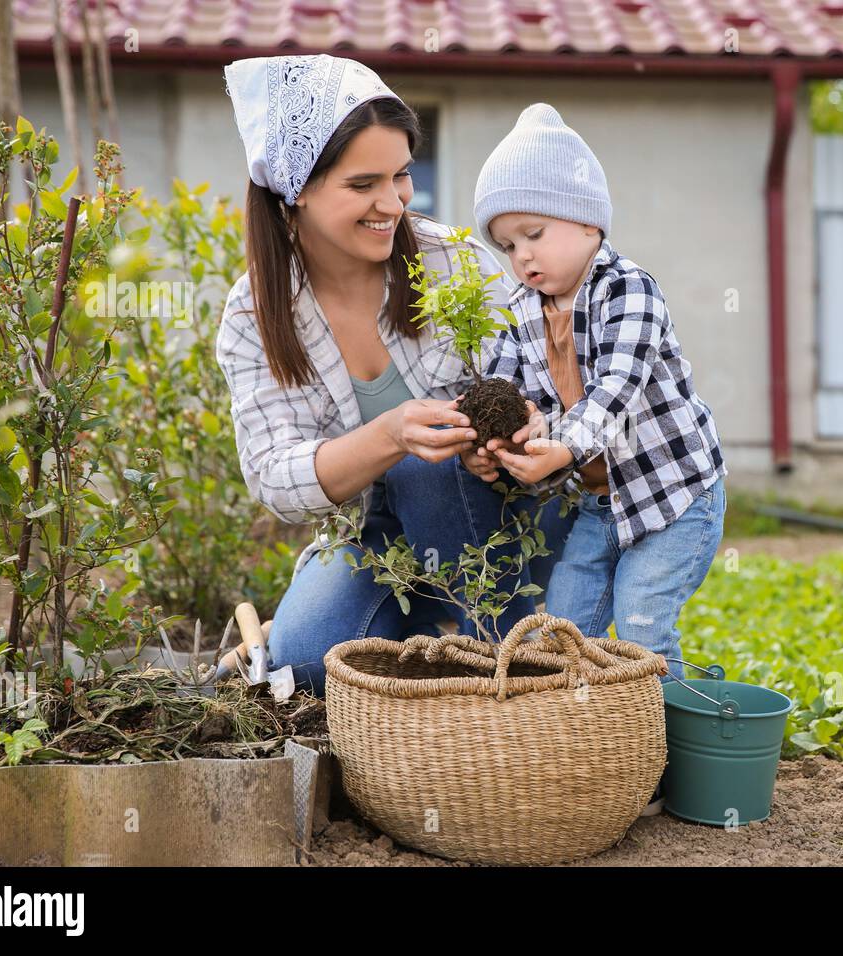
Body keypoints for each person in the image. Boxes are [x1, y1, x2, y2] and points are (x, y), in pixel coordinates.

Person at [217, 57, 575, 695]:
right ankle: (434, 625)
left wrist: (516, 433)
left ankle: (511, 665)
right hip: (375, 539)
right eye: (363, 185)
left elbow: (539, 387)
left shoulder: (449, 262)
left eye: (402, 175)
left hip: (502, 517)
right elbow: (276, 479)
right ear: (298, 188)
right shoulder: (255, 315)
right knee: (301, 666)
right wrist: (389, 433)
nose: (394, 203)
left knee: (427, 469)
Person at [463, 103, 728, 686]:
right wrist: (506, 440)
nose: (522, 256)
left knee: (641, 628)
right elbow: (518, 394)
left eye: (534, 234)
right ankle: (576, 747)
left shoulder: (628, 289)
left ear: (588, 223)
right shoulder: (522, 310)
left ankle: (668, 755)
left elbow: (618, 389)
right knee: (559, 630)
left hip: (674, 498)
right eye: (508, 245)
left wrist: (563, 447)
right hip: (600, 502)